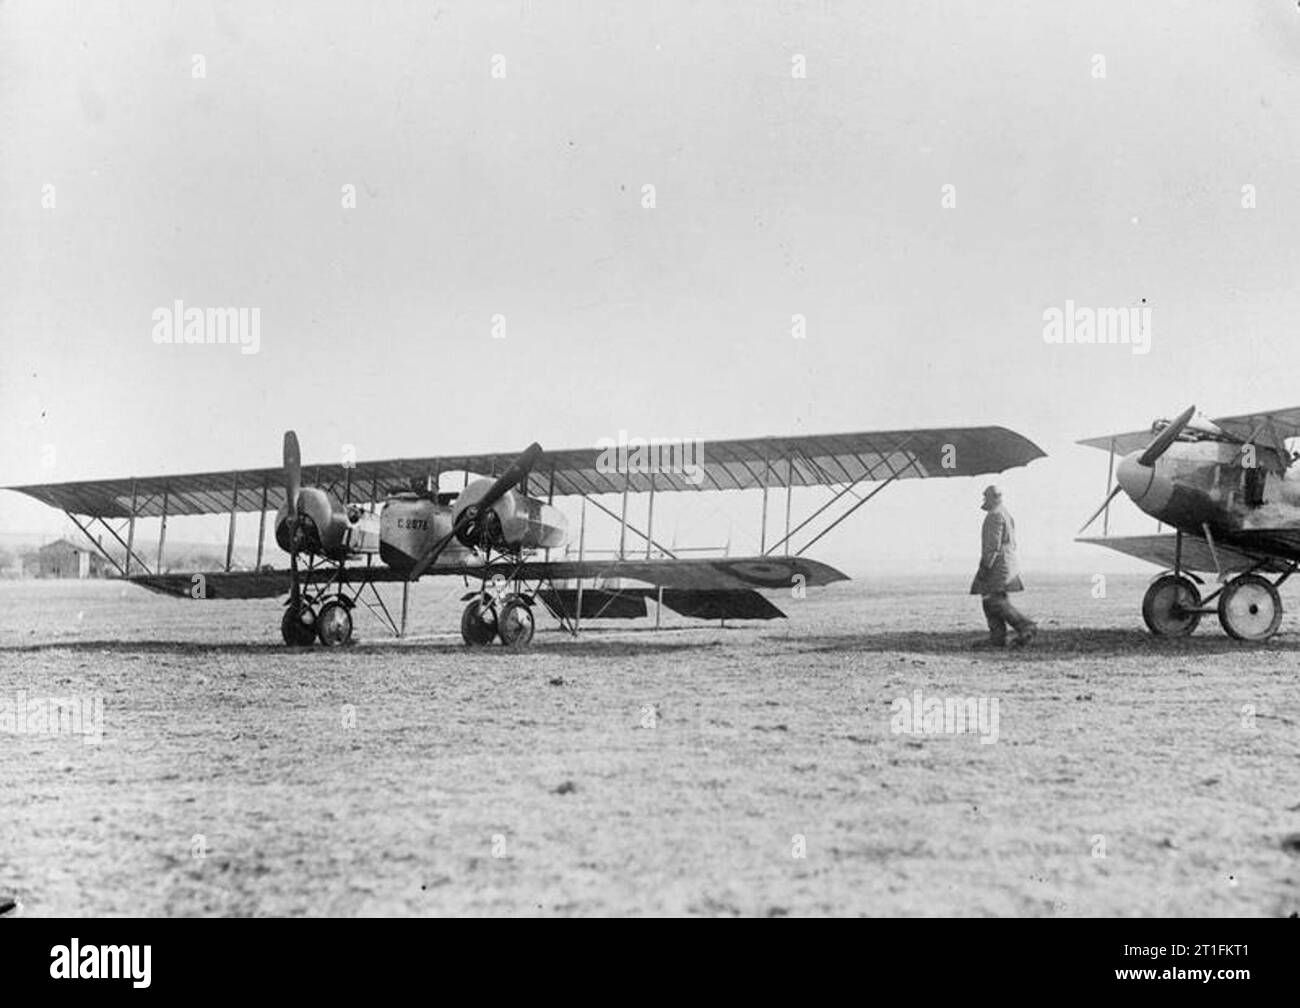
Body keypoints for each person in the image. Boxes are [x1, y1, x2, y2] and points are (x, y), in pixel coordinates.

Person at [969, 485, 1037, 648]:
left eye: (986, 497)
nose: (984, 500)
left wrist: (985, 568)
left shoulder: (995, 516)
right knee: (991, 601)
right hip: (1004, 564)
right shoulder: (1004, 514)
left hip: (997, 567)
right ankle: (997, 638)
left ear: (993, 498)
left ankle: (1025, 626)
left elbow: (992, 547)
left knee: (994, 601)